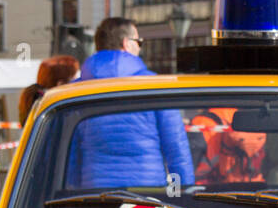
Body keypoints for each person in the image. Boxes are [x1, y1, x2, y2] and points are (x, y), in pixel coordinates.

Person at [67, 17, 194, 188]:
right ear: (127, 43)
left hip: (94, 194)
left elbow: (71, 157)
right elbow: (176, 149)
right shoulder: (156, 86)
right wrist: (184, 192)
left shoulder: (75, 92)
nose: (140, 48)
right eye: (139, 41)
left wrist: (71, 198)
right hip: (147, 194)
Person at [18, 54, 79, 126]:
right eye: (75, 80)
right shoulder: (60, 112)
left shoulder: (40, 106)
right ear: (61, 85)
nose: (79, 84)